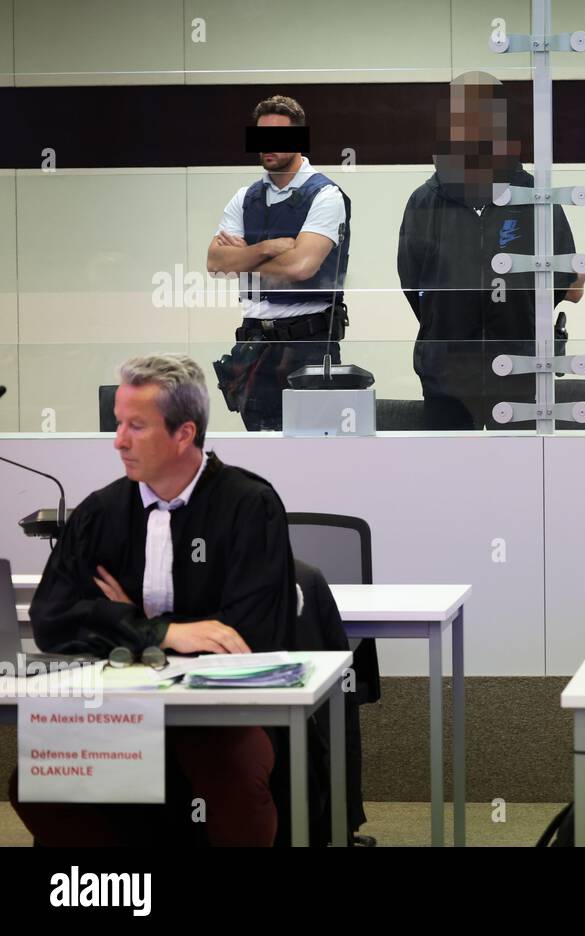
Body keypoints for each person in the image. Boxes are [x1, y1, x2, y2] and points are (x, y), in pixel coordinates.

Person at [8, 354, 297, 846]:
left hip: (219, 712)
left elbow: (250, 638)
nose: (118, 440)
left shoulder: (249, 505)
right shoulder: (102, 512)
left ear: (184, 434)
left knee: (232, 774)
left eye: (135, 426)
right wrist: (163, 631)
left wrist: (122, 622)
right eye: (118, 423)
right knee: (36, 783)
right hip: (117, 704)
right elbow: (53, 618)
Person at [397, 71, 585, 429]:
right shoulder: (425, 201)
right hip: (446, 378)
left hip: (522, 375)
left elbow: (561, 278)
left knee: (521, 480)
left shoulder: (537, 198)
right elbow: (413, 283)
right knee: (451, 480)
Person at [207, 95, 351, 431]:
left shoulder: (325, 195)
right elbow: (215, 262)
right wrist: (268, 248)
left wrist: (242, 257)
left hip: (309, 345)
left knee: (314, 456)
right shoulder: (244, 197)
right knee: (260, 454)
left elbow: (301, 267)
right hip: (254, 346)